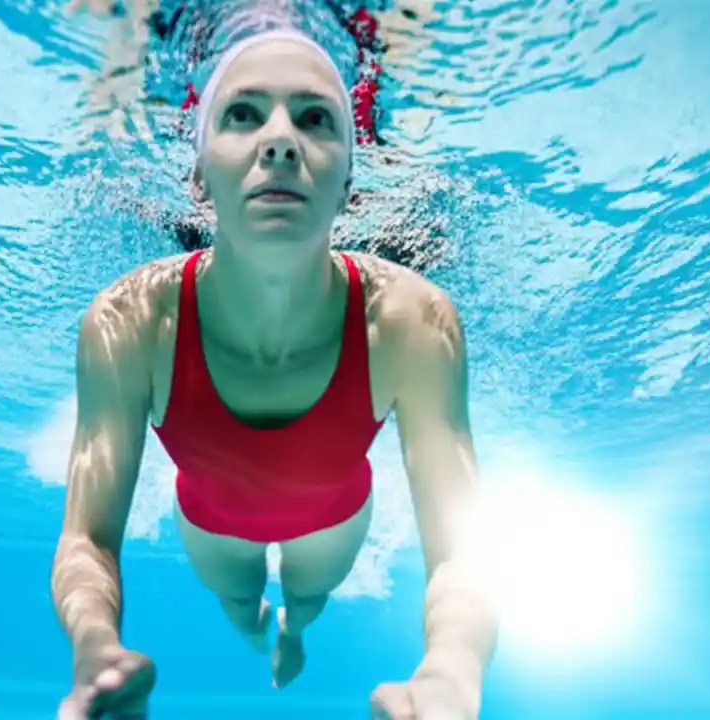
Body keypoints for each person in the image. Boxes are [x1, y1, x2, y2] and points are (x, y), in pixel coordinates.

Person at [52, 18, 497, 720]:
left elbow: (460, 552)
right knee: (237, 601)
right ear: (199, 178)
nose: (281, 140)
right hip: (211, 521)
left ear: (351, 181)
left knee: (309, 599)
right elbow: (86, 541)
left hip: (335, 518)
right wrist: (94, 648)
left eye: (317, 118)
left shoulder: (414, 321)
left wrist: (452, 673)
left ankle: (294, 629)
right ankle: (259, 623)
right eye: (243, 114)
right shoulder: (128, 322)